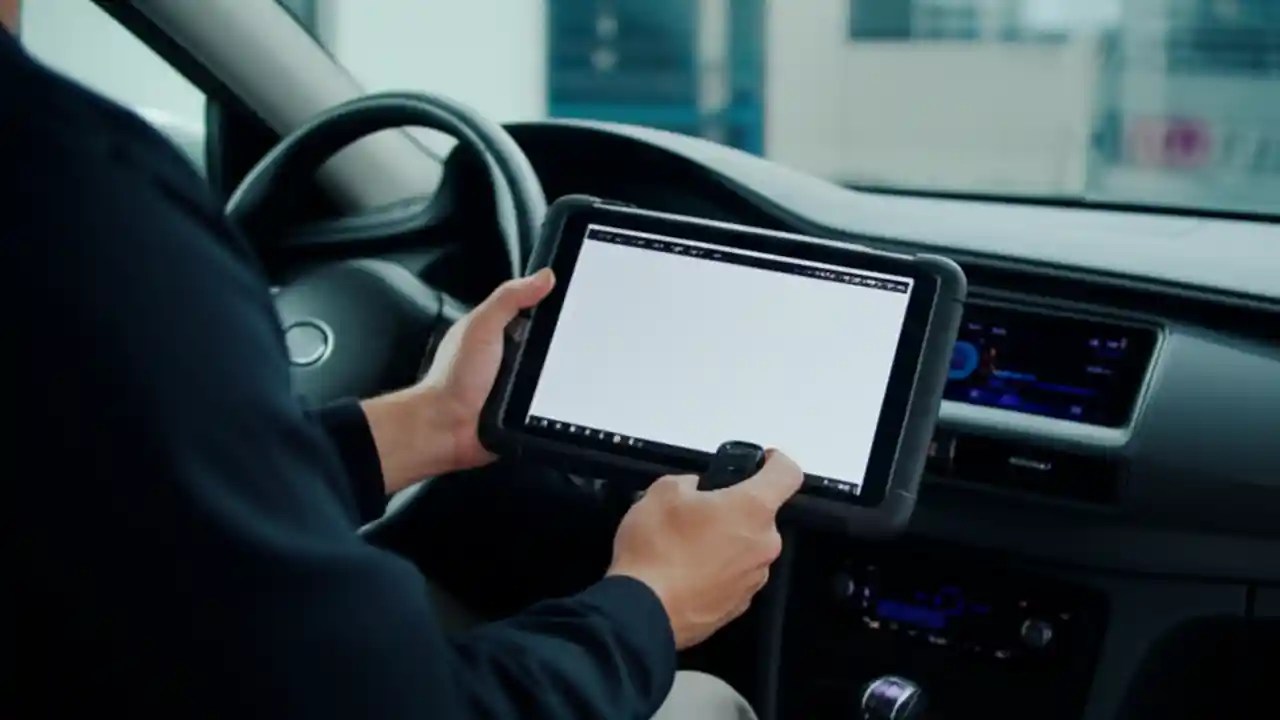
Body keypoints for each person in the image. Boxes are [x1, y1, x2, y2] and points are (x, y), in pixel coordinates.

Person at [1, 3, 802, 719]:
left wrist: (427, 424)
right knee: (704, 703)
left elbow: (136, 510)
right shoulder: (81, 209)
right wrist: (651, 605)